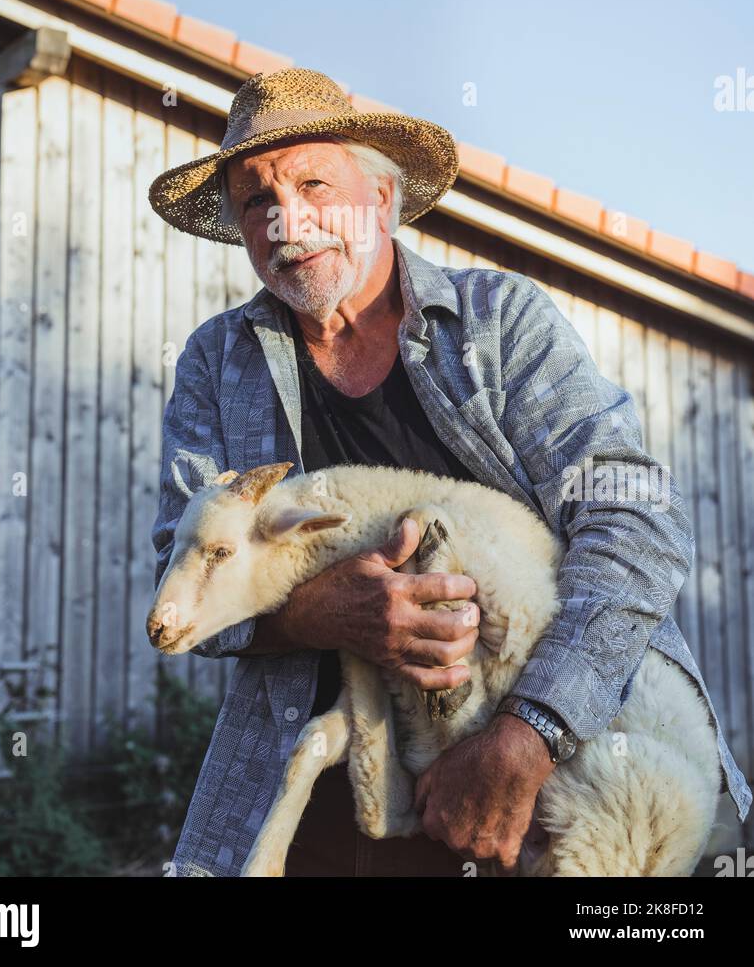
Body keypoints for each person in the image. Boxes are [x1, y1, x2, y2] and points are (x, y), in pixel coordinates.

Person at [148, 67, 751, 878]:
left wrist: (528, 734)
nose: (287, 221)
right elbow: (177, 573)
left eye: (314, 184)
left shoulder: (499, 324)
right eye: (257, 200)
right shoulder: (216, 364)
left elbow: (633, 518)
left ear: (383, 200)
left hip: (542, 782)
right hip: (324, 798)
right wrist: (310, 613)